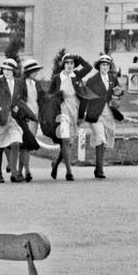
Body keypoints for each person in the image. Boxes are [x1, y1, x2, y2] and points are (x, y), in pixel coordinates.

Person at [80, 53, 122, 180]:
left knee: (106, 140)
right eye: (103, 65)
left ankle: (98, 168)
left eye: (107, 65)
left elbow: (118, 91)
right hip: (95, 115)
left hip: (108, 113)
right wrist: (80, 116)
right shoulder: (92, 80)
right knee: (101, 139)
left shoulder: (112, 78)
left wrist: (119, 93)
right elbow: (84, 98)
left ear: (110, 67)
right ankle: (100, 170)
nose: (105, 67)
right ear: (99, 66)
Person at [0, 58, 30, 184]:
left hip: (12, 119)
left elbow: (22, 98)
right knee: (0, 146)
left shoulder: (19, 83)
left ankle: (13, 173)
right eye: (4, 69)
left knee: (16, 141)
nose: (6, 72)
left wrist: (18, 106)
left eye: (9, 70)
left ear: (14, 71)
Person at [46, 49, 86, 181]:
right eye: (67, 63)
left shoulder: (77, 76)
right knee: (65, 140)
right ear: (63, 64)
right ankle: (69, 172)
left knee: (68, 144)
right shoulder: (57, 78)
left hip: (74, 110)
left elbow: (89, 67)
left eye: (72, 63)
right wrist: (57, 96)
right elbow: (49, 95)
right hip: (61, 111)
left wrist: (77, 57)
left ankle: (56, 164)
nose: (69, 65)